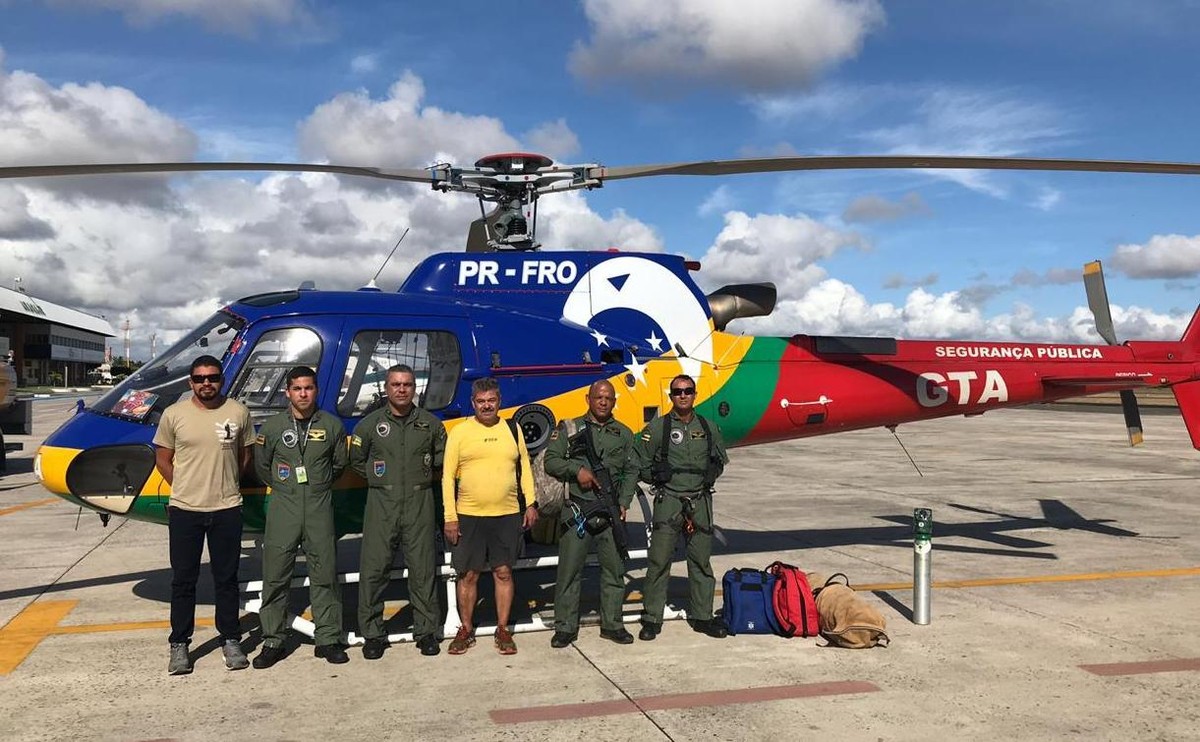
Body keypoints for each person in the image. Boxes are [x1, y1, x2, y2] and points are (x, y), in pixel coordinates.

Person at [153, 355, 254, 674]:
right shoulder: (173, 415)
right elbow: (163, 459)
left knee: (227, 579)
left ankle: (230, 639)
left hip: (227, 508)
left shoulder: (238, 412)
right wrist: (184, 486)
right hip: (186, 510)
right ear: (190, 382)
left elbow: (245, 455)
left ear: (222, 380)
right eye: (199, 379)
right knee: (183, 581)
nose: (206, 383)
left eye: (212, 378)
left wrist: (226, 484)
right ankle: (179, 644)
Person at [251, 366, 350, 668]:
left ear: (316, 390)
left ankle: (328, 638)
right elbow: (263, 466)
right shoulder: (273, 427)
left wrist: (316, 486)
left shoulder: (332, 426)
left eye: (308, 388)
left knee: (325, 574)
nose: (303, 394)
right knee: (276, 576)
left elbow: (338, 465)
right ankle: (273, 640)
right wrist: (287, 487)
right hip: (285, 507)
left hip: (320, 505)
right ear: (288, 392)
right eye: (297, 389)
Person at [349, 364, 446, 659]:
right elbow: (356, 459)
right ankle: (373, 634)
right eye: (395, 384)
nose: (401, 389)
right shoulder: (369, 425)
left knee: (423, 569)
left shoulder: (430, 425)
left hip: (419, 502)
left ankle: (427, 631)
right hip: (382, 503)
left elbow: (441, 462)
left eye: (407, 385)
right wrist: (381, 481)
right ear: (387, 388)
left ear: (414, 388)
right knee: (374, 570)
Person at [441, 377, 537, 655]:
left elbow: (525, 471)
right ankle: (466, 629)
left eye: (491, 401)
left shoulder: (512, 429)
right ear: (473, 403)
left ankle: (503, 629)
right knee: (468, 575)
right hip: (468, 515)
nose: (486, 406)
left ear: (499, 402)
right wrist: (450, 516)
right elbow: (447, 477)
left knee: (503, 572)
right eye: (481, 402)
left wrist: (531, 504)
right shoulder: (459, 432)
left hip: (506, 514)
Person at [543, 379, 639, 647]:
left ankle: (612, 624)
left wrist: (624, 501)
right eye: (598, 397)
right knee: (569, 572)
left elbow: (632, 470)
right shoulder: (571, 429)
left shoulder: (624, 433)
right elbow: (551, 460)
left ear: (614, 401)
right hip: (578, 511)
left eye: (608, 398)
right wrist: (577, 471)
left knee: (614, 571)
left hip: (610, 513)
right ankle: (565, 627)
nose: (603, 402)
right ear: (588, 398)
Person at [636, 374, 730, 641]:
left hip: (700, 501)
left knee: (700, 561)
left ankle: (702, 616)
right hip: (670, 501)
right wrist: (655, 476)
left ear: (695, 394)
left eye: (688, 391)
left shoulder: (709, 427)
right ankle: (652, 618)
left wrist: (712, 472)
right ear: (671, 396)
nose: (683, 395)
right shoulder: (657, 428)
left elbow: (720, 460)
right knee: (659, 561)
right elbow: (640, 462)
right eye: (677, 392)